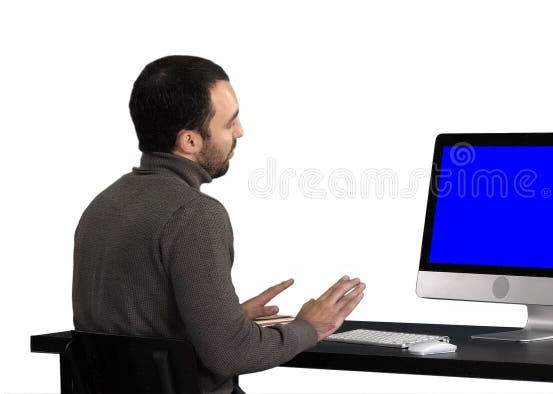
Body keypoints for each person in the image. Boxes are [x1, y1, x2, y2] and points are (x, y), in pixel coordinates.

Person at [72, 55, 365, 394]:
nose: (240, 132)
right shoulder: (194, 213)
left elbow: (138, 337)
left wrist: (222, 320)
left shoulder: (102, 205)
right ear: (190, 141)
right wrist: (309, 327)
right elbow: (230, 355)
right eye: (229, 124)